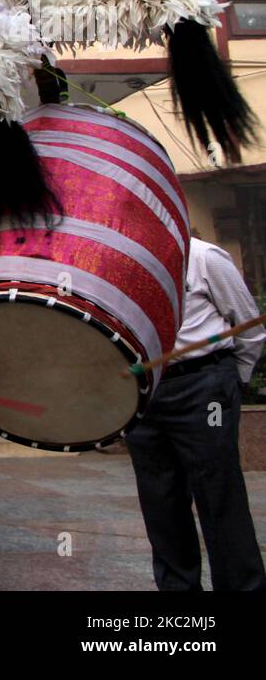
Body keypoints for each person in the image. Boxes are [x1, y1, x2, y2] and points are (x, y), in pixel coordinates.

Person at [127, 234, 266, 590]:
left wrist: (231, 381)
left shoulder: (204, 257)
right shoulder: (121, 261)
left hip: (203, 385)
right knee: (161, 501)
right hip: (144, 393)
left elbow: (248, 326)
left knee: (219, 493)